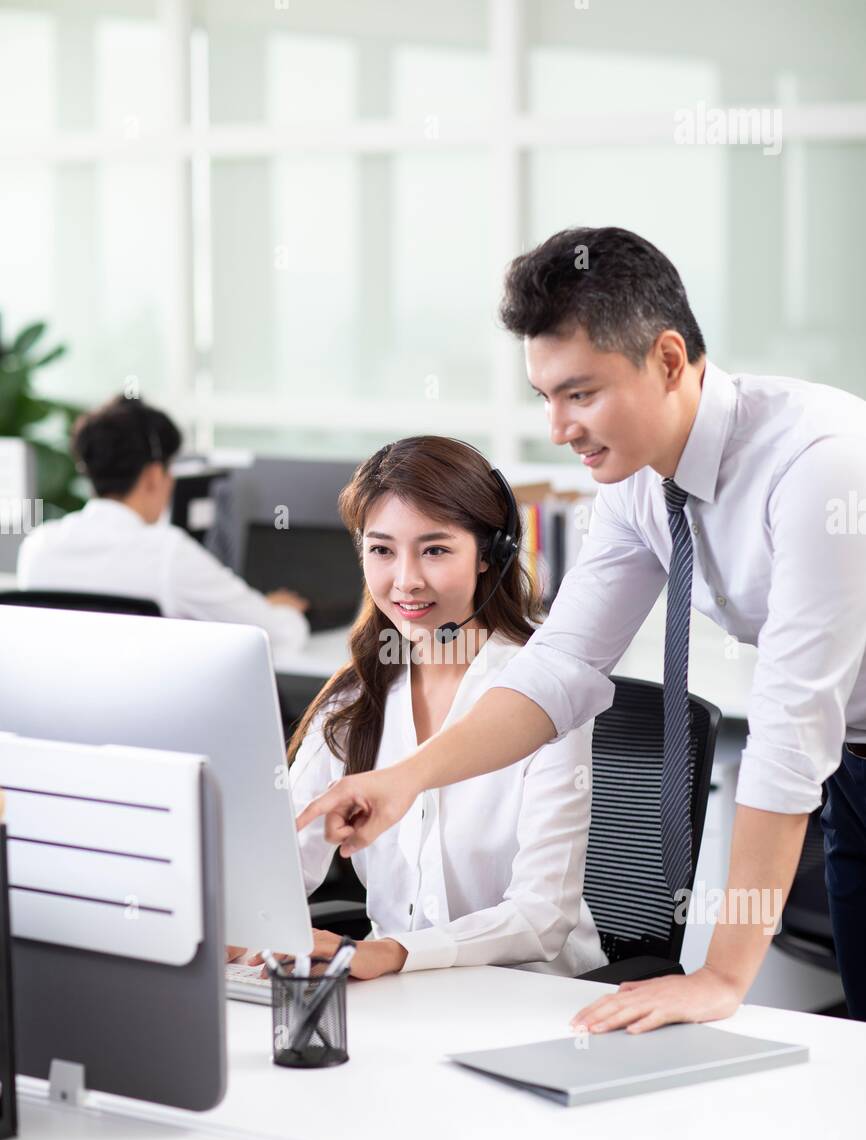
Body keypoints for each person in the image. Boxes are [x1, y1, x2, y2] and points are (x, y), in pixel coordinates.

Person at [298, 226, 866, 1031]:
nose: (560, 426)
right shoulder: (637, 486)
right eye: (545, 397)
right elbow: (558, 671)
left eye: (581, 393)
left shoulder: (821, 464)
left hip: (829, 738)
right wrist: (407, 778)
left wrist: (720, 975)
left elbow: (790, 719)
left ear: (669, 360)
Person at [231, 435, 606, 979]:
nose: (405, 579)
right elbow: (282, 865)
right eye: (382, 550)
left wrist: (391, 954)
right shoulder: (355, 697)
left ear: (489, 556)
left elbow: (541, 917)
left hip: (534, 1002)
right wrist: (229, 931)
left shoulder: (543, 694)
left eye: (435, 549)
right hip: (397, 997)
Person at [16, 393, 310, 660]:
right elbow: (272, 635)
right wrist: (284, 612)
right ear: (155, 475)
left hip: (55, 717)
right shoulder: (167, 554)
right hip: (148, 716)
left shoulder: (38, 546)